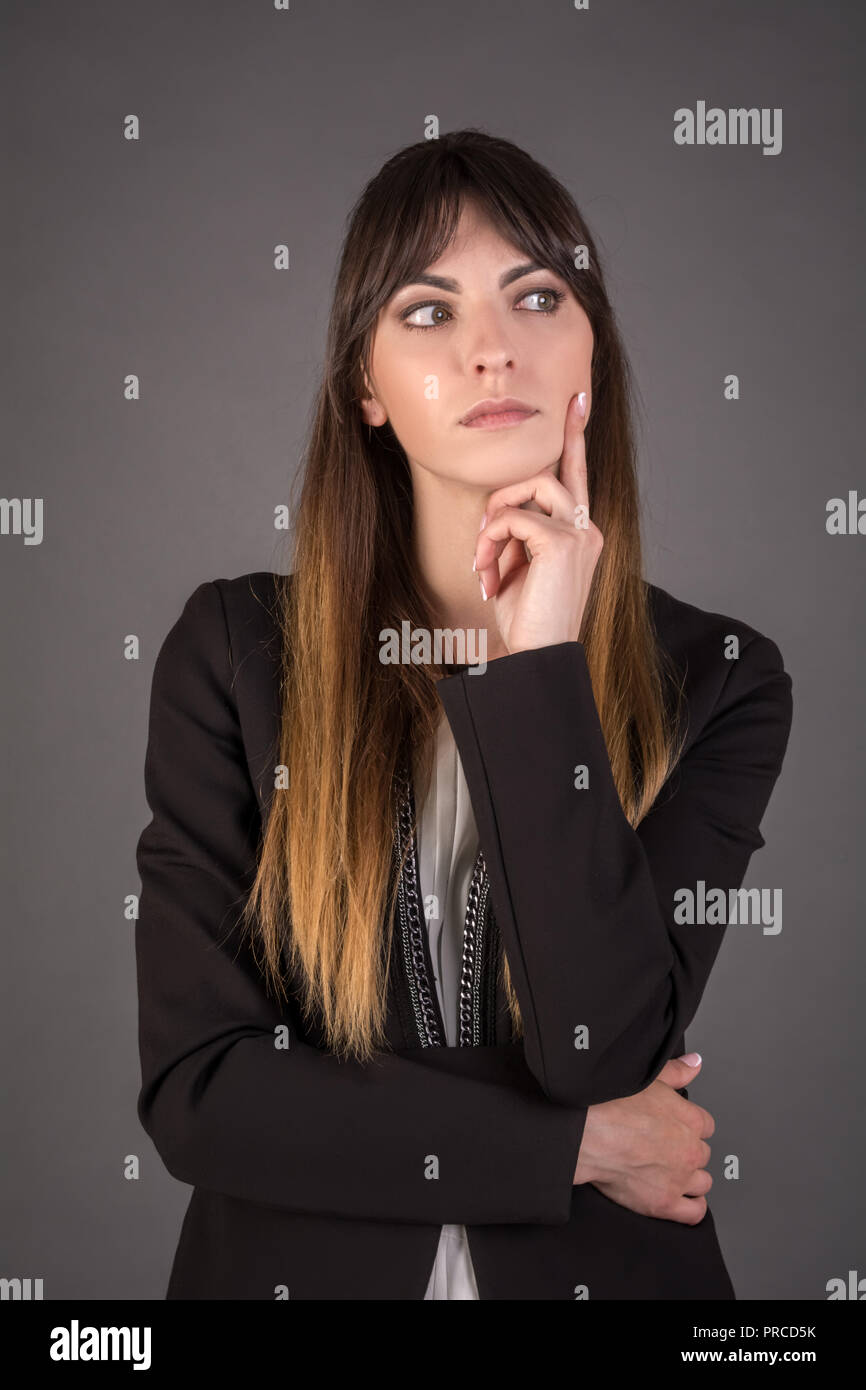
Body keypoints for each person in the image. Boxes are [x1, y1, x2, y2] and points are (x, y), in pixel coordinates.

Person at [134, 129, 793, 1300]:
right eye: (428, 312)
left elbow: (600, 1045)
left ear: (592, 345)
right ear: (364, 390)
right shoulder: (236, 654)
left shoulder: (721, 676)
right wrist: (575, 1145)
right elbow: (206, 1094)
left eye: (536, 295)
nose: (492, 350)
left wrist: (541, 668)